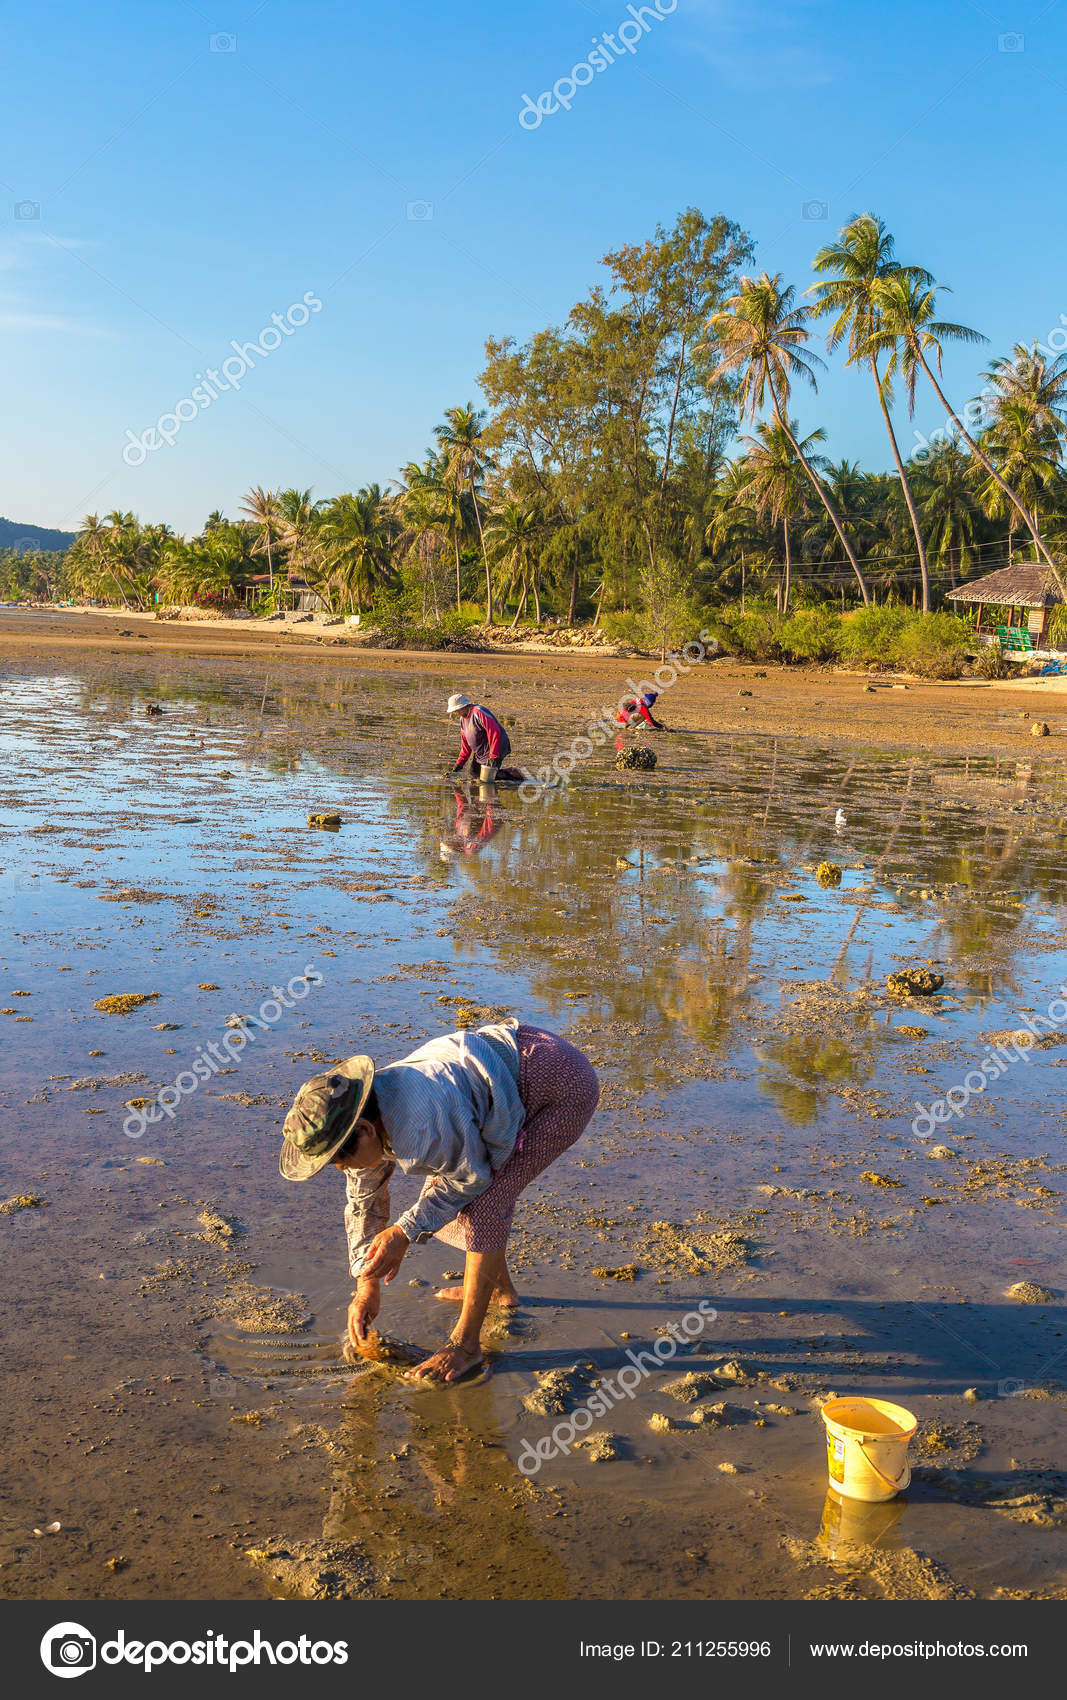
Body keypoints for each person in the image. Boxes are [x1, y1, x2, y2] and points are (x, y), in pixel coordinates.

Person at [278, 1020, 599, 1384]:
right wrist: (366, 1284)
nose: (342, 1170)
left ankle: (466, 1347)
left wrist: (404, 1231)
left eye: (340, 1160)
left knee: (484, 1205)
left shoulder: (421, 1126)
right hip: (499, 1073)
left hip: (558, 1085)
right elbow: (363, 1197)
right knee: (439, 1202)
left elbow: (471, 1179)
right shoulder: (362, 1114)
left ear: (366, 1131)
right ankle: (497, 1289)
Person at [446, 692, 512, 783]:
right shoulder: (462, 720)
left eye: (457, 710)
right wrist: (458, 765)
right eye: (454, 711)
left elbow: (494, 732)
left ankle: (513, 773)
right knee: (474, 774)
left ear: (464, 706)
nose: (456, 713)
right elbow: (466, 745)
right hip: (481, 752)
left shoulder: (478, 712)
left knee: (487, 780)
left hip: (496, 747)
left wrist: (494, 756)